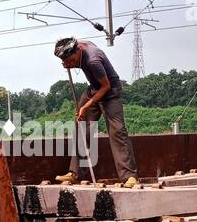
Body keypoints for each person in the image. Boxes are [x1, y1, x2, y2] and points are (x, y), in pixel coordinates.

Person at [53, 36, 139, 188]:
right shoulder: (78, 48)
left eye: (69, 60)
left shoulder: (93, 60)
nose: (67, 64)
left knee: (117, 130)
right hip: (94, 88)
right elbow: (74, 59)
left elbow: (105, 86)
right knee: (81, 125)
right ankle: (75, 173)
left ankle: (129, 177)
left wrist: (86, 106)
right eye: (64, 61)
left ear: (78, 50)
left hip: (110, 90)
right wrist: (69, 63)